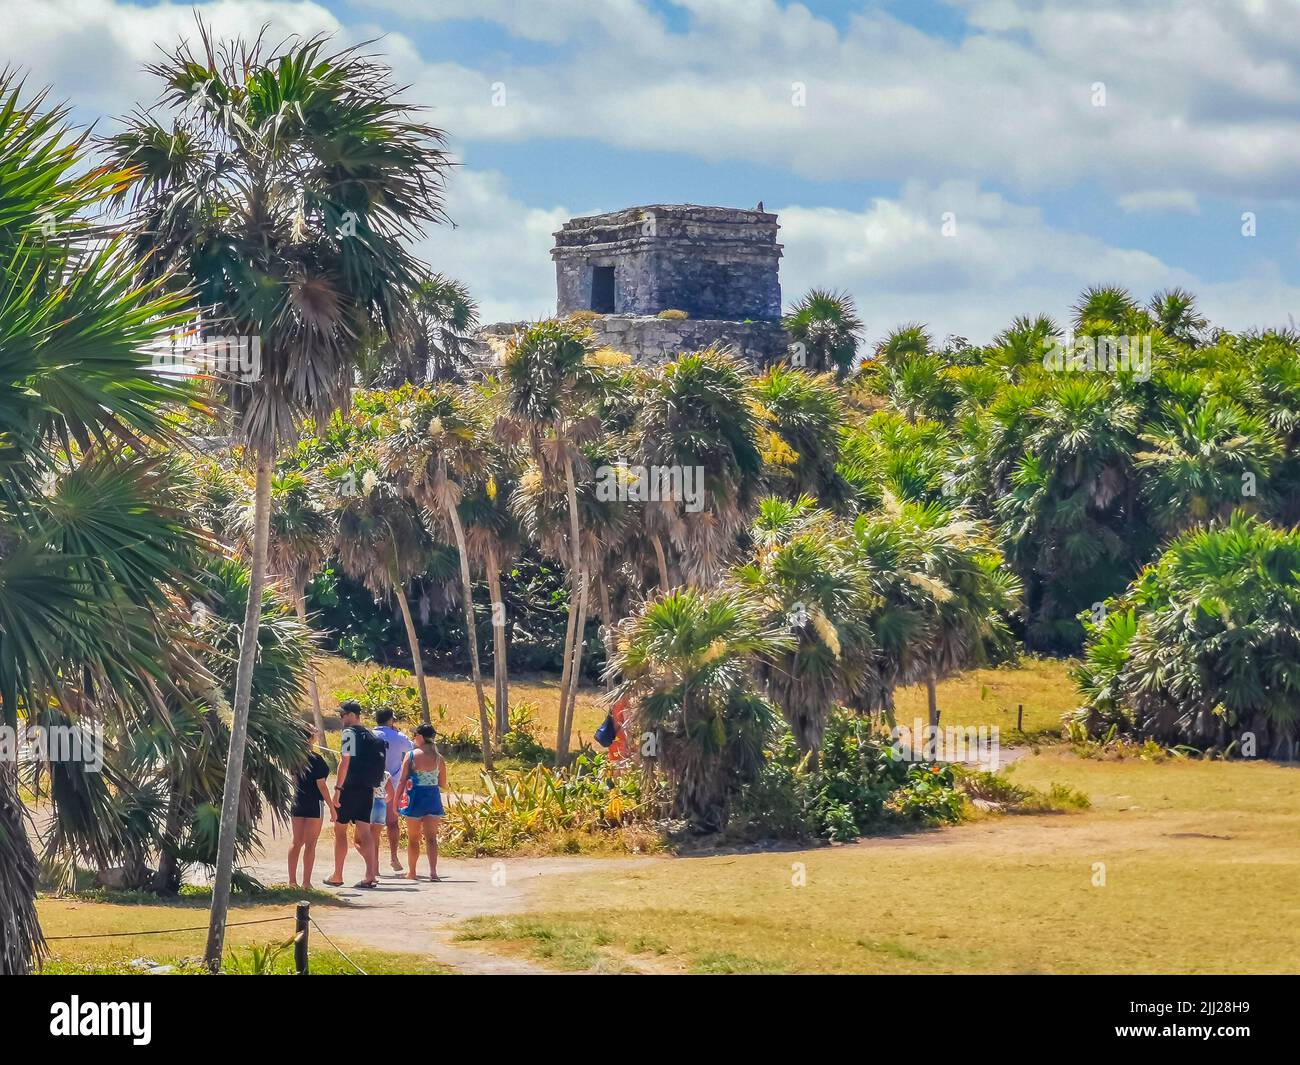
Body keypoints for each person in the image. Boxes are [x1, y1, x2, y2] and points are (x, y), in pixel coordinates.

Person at [326, 701, 384, 888]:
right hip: (367, 789)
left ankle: (337, 874)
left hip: (349, 788)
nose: (341, 718)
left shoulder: (349, 733)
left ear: (351, 715)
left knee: (340, 830)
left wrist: (338, 789)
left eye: (342, 714)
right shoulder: (372, 735)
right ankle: (370, 874)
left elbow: (345, 761)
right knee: (365, 831)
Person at [396, 724, 447, 881]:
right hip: (432, 798)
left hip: (415, 798)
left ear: (421, 737)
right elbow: (443, 783)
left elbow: (402, 780)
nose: (413, 738)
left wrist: (396, 801)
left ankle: (412, 872)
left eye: (415, 735)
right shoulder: (439, 759)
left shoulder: (411, 756)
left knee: (413, 838)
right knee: (431, 838)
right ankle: (433, 872)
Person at [288, 739, 334, 888]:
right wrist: (332, 808)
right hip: (314, 803)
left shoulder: (294, 757)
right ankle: (306, 882)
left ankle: (292, 881)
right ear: (309, 739)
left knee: (296, 842)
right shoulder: (316, 759)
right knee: (310, 844)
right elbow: (322, 786)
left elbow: (294, 781)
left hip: (298, 801)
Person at [373, 708, 414, 872]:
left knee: (373, 826)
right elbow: (411, 748)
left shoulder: (370, 735)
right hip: (394, 786)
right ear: (390, 720)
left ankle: (374, 862)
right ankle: (393, 857)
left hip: (374, 785)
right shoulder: (398, 737)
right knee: (392, 823)